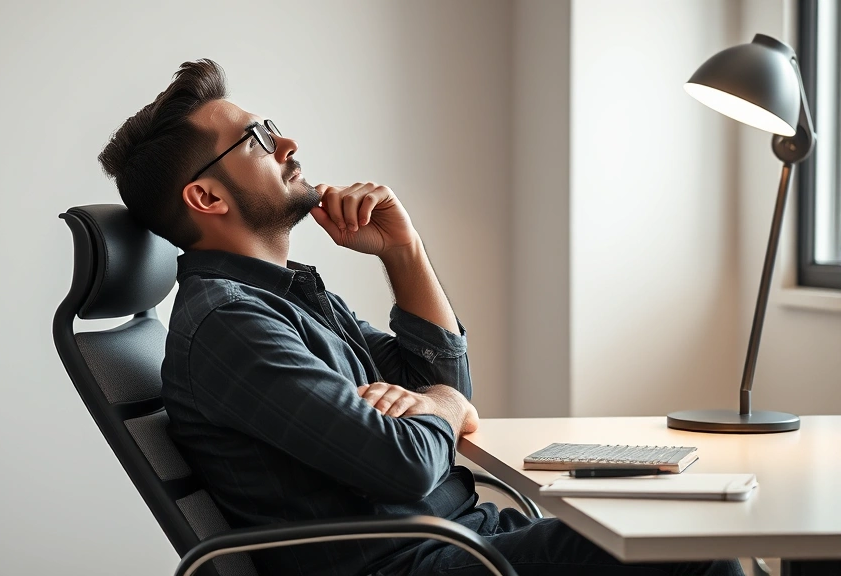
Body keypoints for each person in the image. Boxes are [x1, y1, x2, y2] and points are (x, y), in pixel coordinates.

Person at [97, 59, 743, 576]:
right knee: (688, 546)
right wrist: (437, 404)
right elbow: (404, 460)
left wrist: (403, 250)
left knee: (679, 522)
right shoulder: (230, 326)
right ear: (206, 196)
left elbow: (446, 388)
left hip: (464, 540)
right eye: (259, 139)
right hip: (413, 561)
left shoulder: (286, 297)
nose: (289, 143)